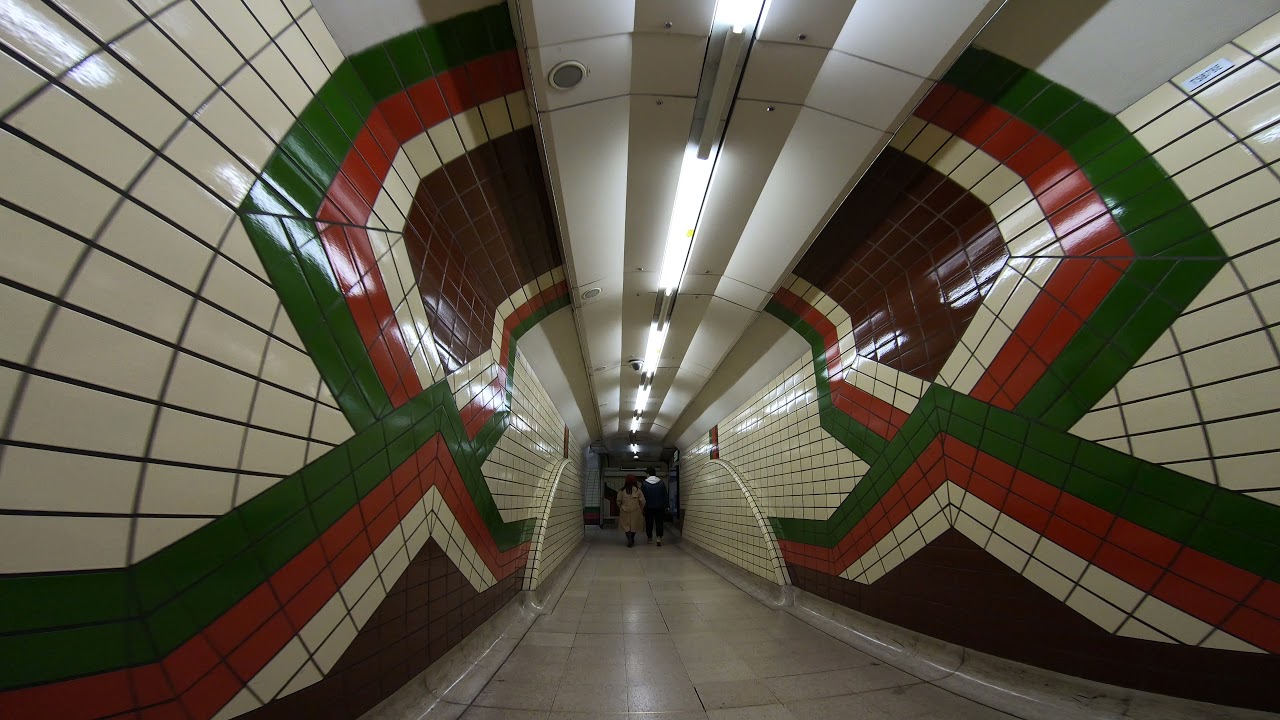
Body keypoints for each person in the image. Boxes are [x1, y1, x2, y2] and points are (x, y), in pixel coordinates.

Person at [640, 466, 668, 546]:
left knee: (649, 522)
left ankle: (649, 538)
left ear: (648, 474)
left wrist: (642, 507)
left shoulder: (645, 484)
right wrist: (666, 505)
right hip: (660, 507)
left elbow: (643, 497)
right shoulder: (661, 483)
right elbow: (665, 495)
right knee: (659, 522)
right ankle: (659, 537)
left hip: (648, 507)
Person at [617, 474, 645, 547]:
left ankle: (629, 539)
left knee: (626, 527)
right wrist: (641, 509)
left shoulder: (621, 491)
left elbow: (618, 501)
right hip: (636, 510)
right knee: (634, 526)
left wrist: (621, 508)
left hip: (624, 510)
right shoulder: (638, 491)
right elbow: (643, 501)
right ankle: (632, 538)